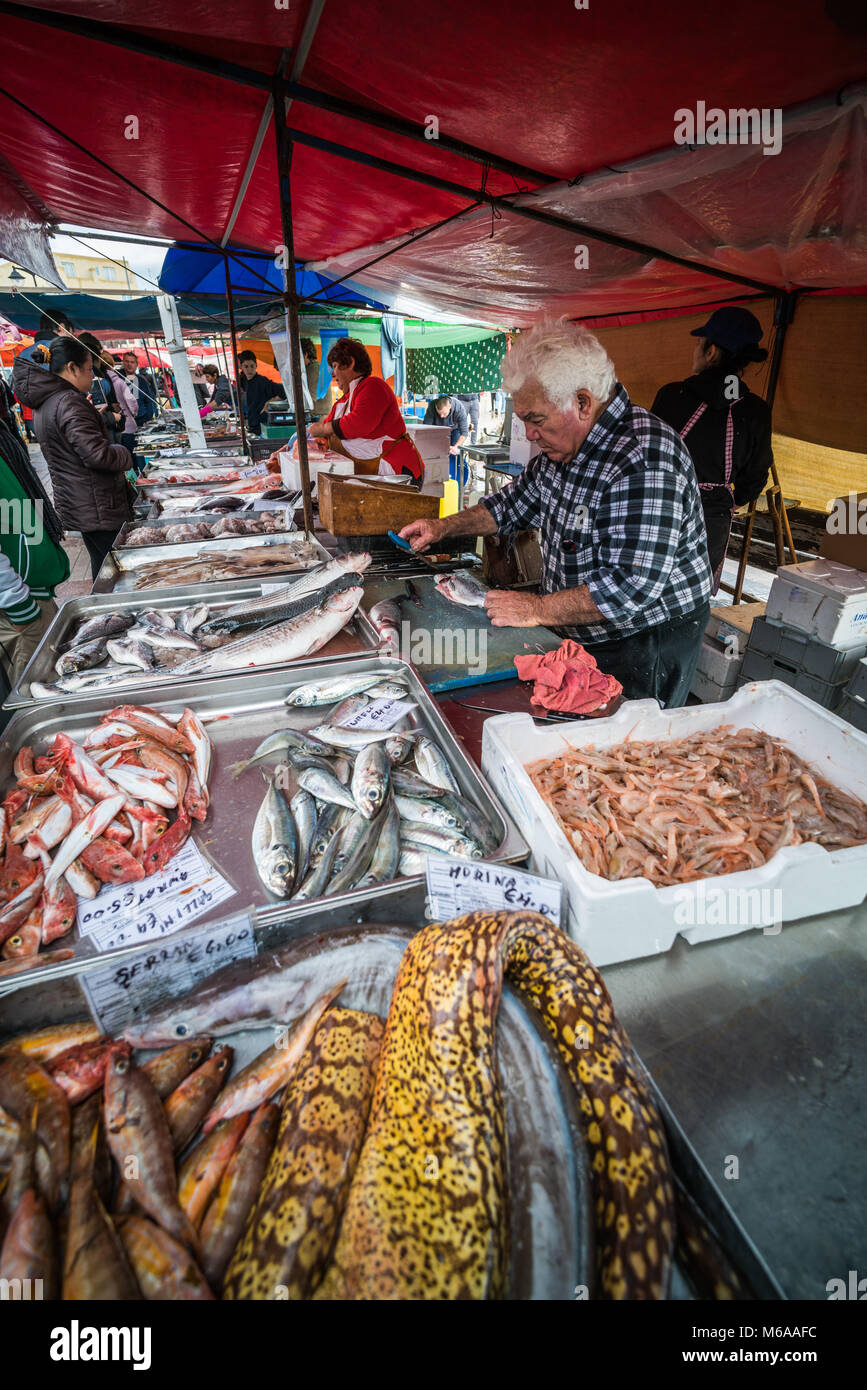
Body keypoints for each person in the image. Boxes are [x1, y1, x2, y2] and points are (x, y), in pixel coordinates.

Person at [400, 320, 713, 708]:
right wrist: (442, 526)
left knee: (628, 744)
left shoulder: (643, 458)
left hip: (646, 641)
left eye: (536, 419)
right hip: (585, 626)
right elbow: (508, 506)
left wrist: (536, 609)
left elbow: (629, 587)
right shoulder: (562, 449)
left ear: (582, 402)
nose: (529, 434)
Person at [651, 306, 773, 591]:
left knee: (644, 593)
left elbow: (644, 453)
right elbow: (755, 477)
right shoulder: (756, 411)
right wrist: (719, 498)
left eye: (699, 343)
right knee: (688, 600)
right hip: (712, 522)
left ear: (711, 351)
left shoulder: (672, 396)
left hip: (659, 510)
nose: (695, 349)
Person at [12, 336, 134, 579]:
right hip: (97, 503)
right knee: (114, 572)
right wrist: (124, 454)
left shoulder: (49, 402)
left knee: (104, 568)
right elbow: (97, 455)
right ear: (71, 368)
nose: (92, 376)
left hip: (82, 502)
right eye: (89, 369)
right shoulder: (69, 402)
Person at [281, 337, 424, 481]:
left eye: (335, 366)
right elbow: (324, 430)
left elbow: (360, 423)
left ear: (350, 362)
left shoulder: (373, 386)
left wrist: (324, 429)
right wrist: (291, 449)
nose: (332, 374)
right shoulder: (342, 403)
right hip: (369, 479)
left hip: (398, 475)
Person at [0, 416, 69, 689]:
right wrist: (19, 607)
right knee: (33, 690)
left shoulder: (4, 436)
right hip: (18, 604)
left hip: (32, 590)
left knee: (52, 676)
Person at [238, 350, 285, 434]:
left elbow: (284, 392)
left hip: (261, 426)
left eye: (252, 366)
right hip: (251, 424)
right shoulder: (243, 380)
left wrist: (269, 402)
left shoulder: (263, 382)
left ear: (256, 366)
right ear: (241, 366)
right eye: (246, 366)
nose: (249, 369)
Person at [120, 350, 158, 430]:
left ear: (136, 365)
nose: (129, 364)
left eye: (132, 362)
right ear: (123, 363)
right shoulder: (118, 379)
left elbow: (150, 399)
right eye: (127, 361)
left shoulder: (141, 381)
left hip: (141, 421)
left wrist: (149, 417)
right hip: (125, 423)